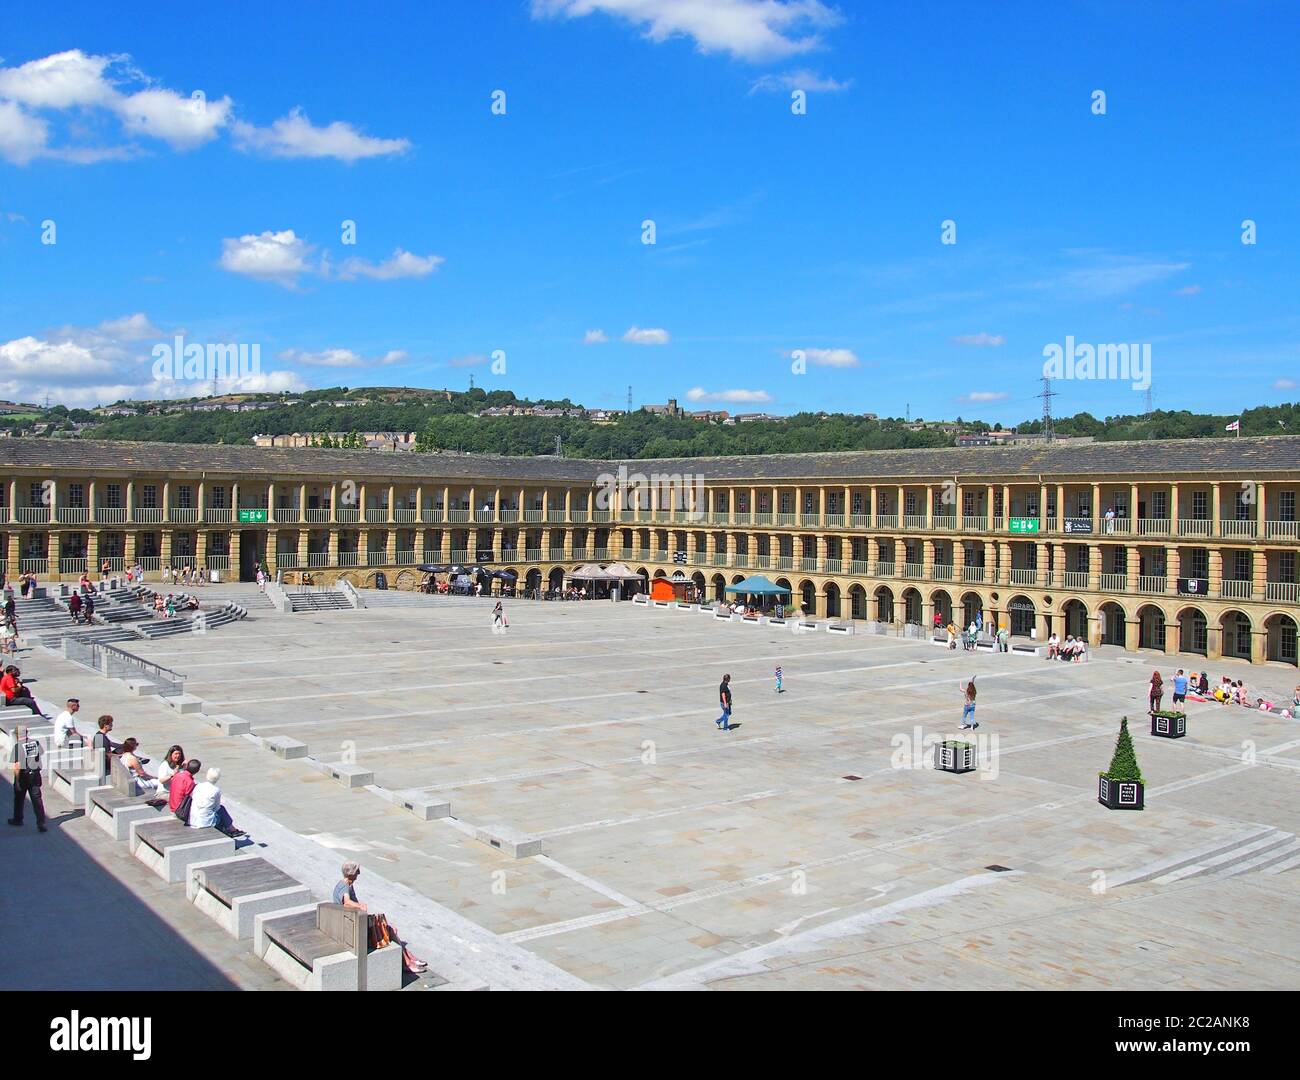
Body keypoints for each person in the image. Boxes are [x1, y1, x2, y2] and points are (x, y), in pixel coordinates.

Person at [333, 861, 427, 974]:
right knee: (391, 930)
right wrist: (360, 905)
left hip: (356, 923)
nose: (359, 873)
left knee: (392, 930)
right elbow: (347, 902)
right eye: (357, 871)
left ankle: (410, 959)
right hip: (356, 929)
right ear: (351, 873)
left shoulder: (344, 884)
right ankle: (407, 963)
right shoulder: (345, 887)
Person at [8, 724, 47, 832]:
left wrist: (16, 781)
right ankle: (41, 822)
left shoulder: (18, 747)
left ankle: (18, 819)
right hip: (35, 775)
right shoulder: (35, 743)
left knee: (19, 799)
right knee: (37, 800)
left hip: (23, 776)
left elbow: (17, 766)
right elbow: (41, 753)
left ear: (16, 735)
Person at [189, 767, 244, 837]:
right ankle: (230, 830)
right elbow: (217, 808)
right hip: (205, 822)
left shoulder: (198, 786)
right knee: (221, 811)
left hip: (193, 819)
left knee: (220, 811)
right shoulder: (216, 790)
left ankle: (230, 829)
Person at [92, 714, 119, 782]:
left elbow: (111, 743)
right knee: (125, 754)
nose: (112, 725)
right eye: (110, 724)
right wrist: (123, 755)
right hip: (106, 766)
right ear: (105, 726)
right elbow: (109, 755)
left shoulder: (99, 735)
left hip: (102, 761)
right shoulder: (103, 739)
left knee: (122, 748)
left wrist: (126, 745)